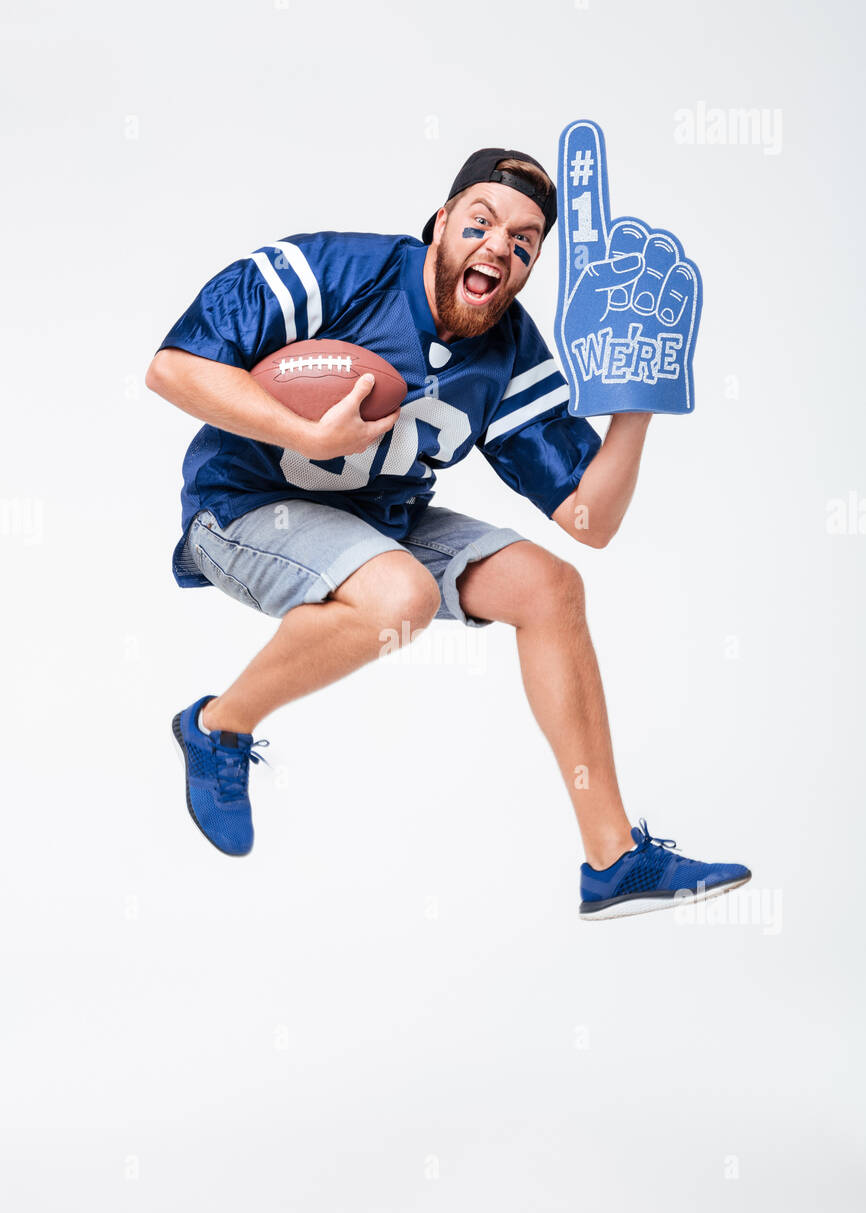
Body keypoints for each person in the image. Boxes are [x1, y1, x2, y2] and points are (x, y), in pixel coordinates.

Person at [147, 147, 750, 917]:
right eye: (483, 221)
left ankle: (613, 861)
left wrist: (639, 398)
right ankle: (216, 727)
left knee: (551, 586)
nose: (501, 245)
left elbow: (589, 521)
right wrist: (299, 429)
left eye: (525, 242)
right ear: (440, 223)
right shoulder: (334, 270)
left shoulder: (509, 349)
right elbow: (172, 367)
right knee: (401, 597)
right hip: (241, 507)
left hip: (377, 521)